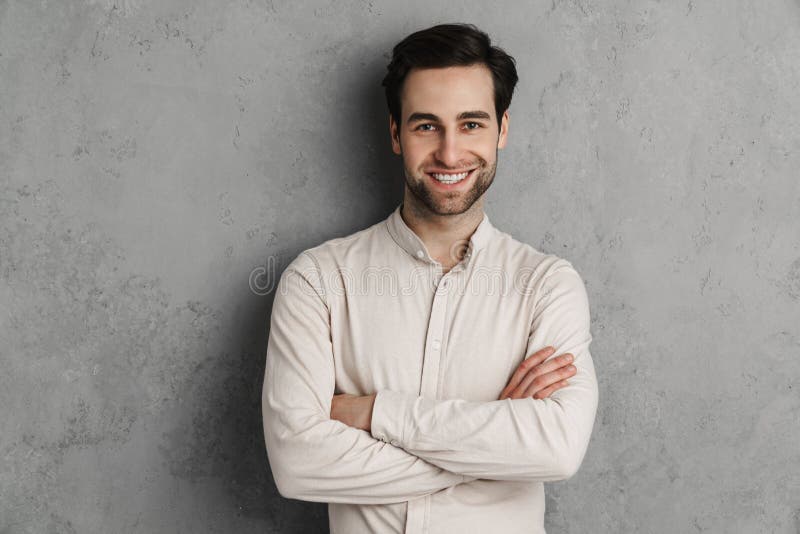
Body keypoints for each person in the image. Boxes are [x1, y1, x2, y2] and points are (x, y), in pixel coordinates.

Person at [261, 23, 598, 534]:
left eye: (471, 124)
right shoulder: (317, 281)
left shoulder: (548, 286)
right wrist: (491, 445)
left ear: (502, 129)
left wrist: (376, 415)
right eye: (426, 126)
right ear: (395, 133)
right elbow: (296, 463)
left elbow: (558, 448)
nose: (449, 153)